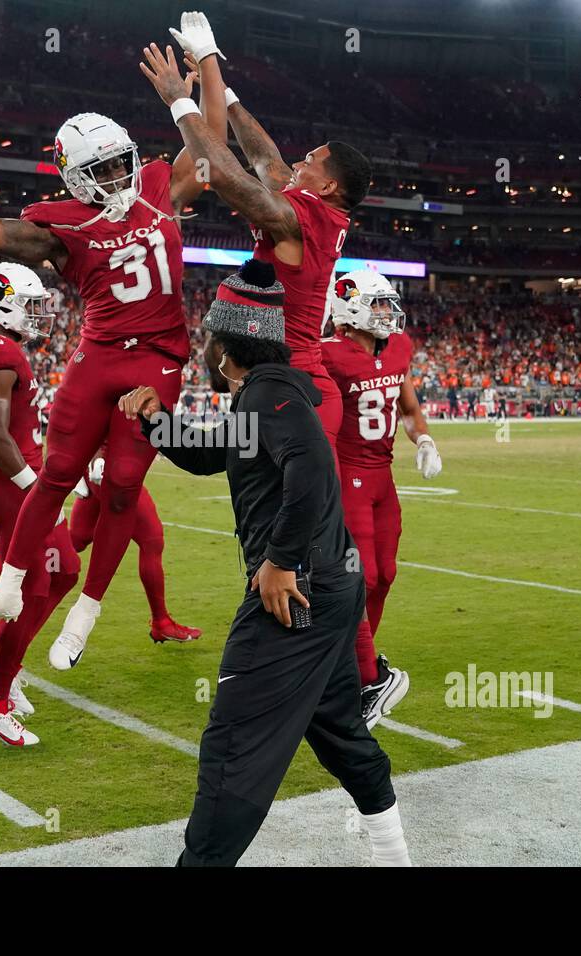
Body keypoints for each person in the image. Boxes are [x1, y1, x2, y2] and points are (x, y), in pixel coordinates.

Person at [0, 16, 226, 671]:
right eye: (104, 168)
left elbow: (211, 152)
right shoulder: (64, 224)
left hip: (159, 359)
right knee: (59, 475)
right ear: (74, 176)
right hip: (99, 355)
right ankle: (3, 586)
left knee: (120, 488)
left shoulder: (155, 186)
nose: (118, 175)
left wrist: (201, 69)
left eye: (121, 162)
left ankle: (84, 616)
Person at [119, 259, 410, 866]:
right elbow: (207, 455)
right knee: (337, 732)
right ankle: (392, 854)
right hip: (335, 588)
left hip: (297, 593)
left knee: (234, 746)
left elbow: (311, 469)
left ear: (227, 346)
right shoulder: (268, 393)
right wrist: (154, 420)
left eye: (210, 342)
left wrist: (279, 561)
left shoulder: (270, 397)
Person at [140, 30, 374, 459]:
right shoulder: (314, 207)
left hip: (293, 385)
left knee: (283, 505)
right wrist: (219, 83)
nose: (298, 163)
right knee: (234, 473)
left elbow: (225, 175)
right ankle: (158, 421)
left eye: (310, 161)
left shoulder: (303, 218)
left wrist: (179, 100)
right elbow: (266, 159)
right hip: (281, 376)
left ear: (328, 184)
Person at [0, 263, 81, 746]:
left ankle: (3, 668)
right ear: (1, 302)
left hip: (22, 481)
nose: (36, 314)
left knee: (65, 571)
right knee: (33, 589)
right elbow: (0, 439)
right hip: (12, 486)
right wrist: (36, 489)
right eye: (28, 304)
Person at [323, 270, 444, 727]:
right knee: (362, 576)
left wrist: (426, 440)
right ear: (350, 309)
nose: (386, 314)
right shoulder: (329, 356)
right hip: (348, 475)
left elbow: (409, 409)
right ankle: (369, 677)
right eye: (377, 305)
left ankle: (351, 662)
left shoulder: (395, 350)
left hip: (383, 477)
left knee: (386, 574)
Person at [67, 449, 202, 651]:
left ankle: (14, 563)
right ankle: (161, 622)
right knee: (152, 540)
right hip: (112, 470)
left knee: (76, 540)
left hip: (100, 468)